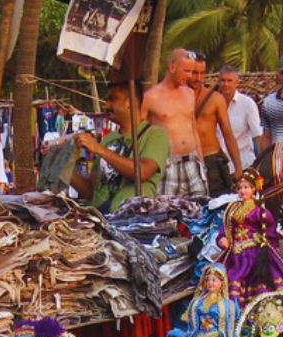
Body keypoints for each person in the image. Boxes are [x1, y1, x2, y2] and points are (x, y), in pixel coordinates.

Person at [71, 82, 168, 213]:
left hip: (131, 219)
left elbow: (143, 172)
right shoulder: (109, 139)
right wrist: (63, 168)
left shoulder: (156, 134)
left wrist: (99, 149)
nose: (106, 106)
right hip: (100, 219)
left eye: (113, 99)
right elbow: (91, 191)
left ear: (131, 103)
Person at [216, 169, 283, 303]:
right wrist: (222, 238)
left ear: (254, 189)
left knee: (258, 279)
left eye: (246, 187)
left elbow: (270, 231)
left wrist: (266, 242)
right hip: (236, 252)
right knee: (232, 278)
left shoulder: (260, 211)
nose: (242, 191)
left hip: (253, 252)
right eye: (240, 188)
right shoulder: (232, 209)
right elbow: (226, 228)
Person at [141, 48, 205, 197]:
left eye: (192, 71)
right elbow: (140, 133)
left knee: (200, 212)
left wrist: (201, 162)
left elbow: (193, 128)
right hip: (167, 163)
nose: (190, 76)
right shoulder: (151, 97)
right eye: (186, 71)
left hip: (192, 161)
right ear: (172, 68)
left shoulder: (189, 94)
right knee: (165, 212)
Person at [187, 54, 241, 196]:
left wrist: (238, 168)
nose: (198, 78)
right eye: (193, 72)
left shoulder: (215, 99)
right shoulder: (173, 98)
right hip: (185, 161)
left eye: (201, 73)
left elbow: (228, 134)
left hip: (212, 162)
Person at [217, 66, 262, 169]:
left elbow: (258, 135)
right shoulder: (212, 104)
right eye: (223, 80)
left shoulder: (247, 104)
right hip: (219, 166)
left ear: (237, 83)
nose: (226, 84)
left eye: (229, 81)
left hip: (243, 164)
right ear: (218, 82)